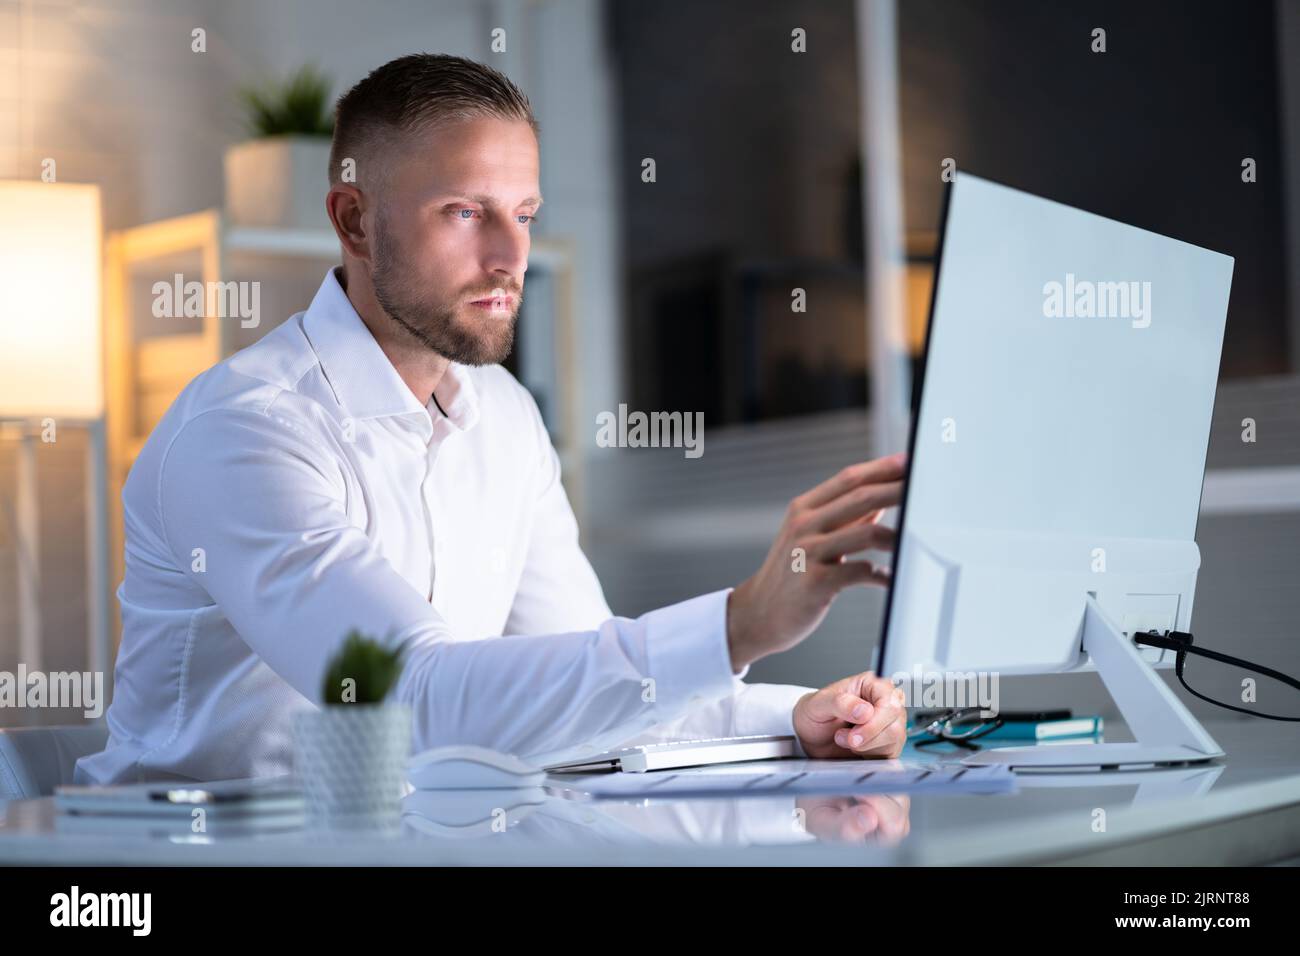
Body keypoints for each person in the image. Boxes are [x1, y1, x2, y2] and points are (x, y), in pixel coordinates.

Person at [75, 53, 906, 785]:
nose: (512, 253)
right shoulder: (244, 430)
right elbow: (407, 702)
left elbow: (580, 687)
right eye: (467, 213)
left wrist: (799, 717)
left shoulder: (505, 416)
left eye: (527, 213)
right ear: (354, 220)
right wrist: (741, 621)